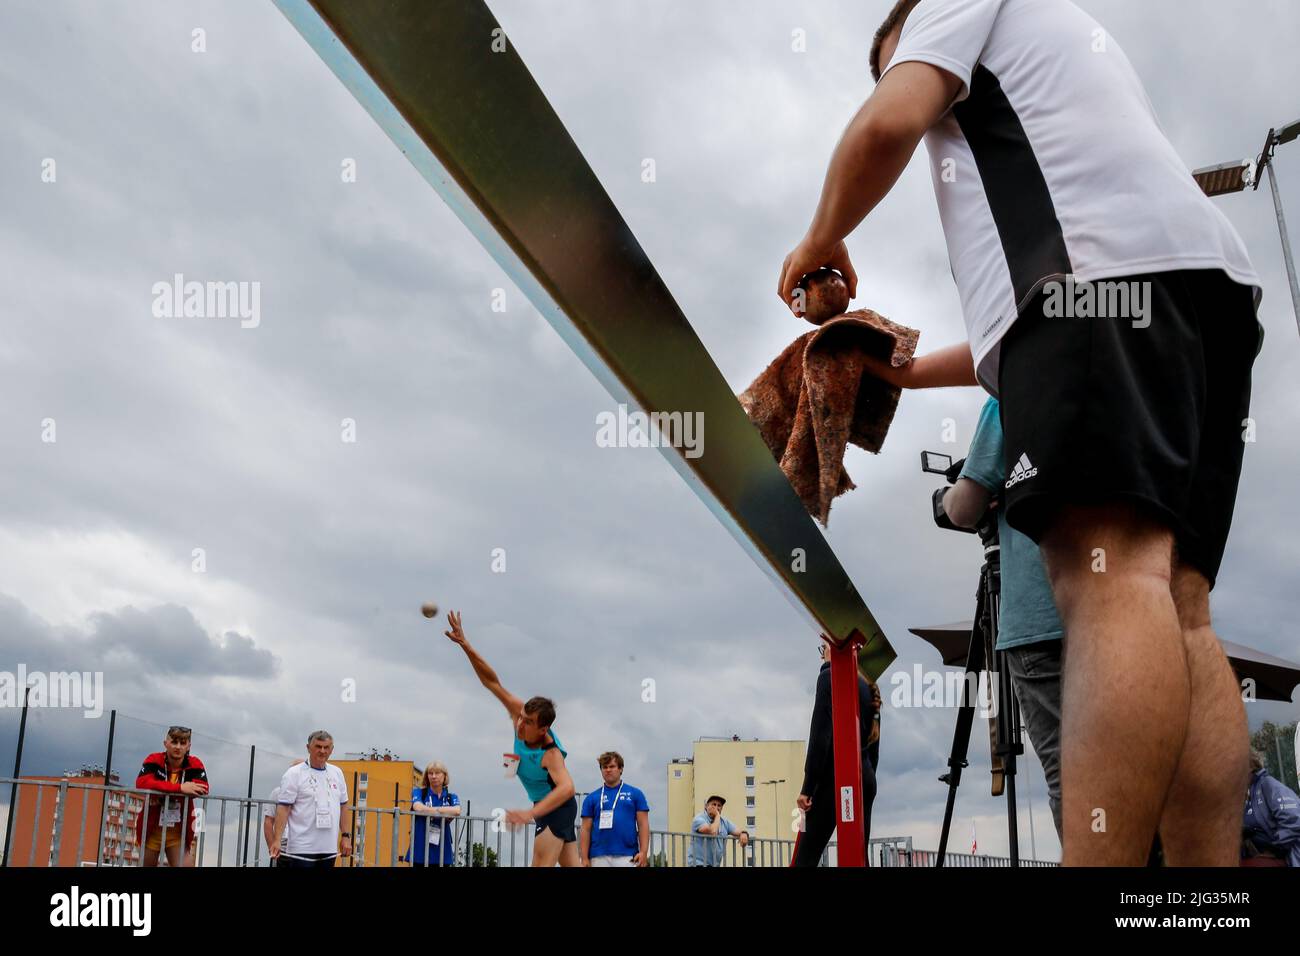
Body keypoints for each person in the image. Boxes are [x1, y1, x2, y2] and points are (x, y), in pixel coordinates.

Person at [778, 0, 1263, 866]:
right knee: (1184, 611)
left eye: (896, 60)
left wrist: (822, 238)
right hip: (1205, 300)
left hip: (1094, 278)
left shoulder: (942, 12)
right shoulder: (1069, 75)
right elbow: (1024, 329)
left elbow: (890, 120)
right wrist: (901, 367)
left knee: (1110, 574)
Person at [444, 610, 579, 867]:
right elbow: (491, 682)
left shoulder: (550, 754)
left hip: (555, 809)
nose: (520, 724)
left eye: (528, 723)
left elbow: (567, 788)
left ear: (543, 730)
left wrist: (530, 813)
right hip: (545, 807)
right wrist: (466, 645)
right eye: (522, 717)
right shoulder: (519, 712)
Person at [792, 643, 881, 867]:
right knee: (859, 856)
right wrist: (865, 776)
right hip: (865, 776)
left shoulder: (829, 677)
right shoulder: (869, 685)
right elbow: (874, 746)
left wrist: (808, 787)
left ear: (831, 647)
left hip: (836, 776)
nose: (821, 654)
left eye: (822, 648)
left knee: (806, 856)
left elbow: (820, 736)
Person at [270, 730, 352, 868]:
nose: (322, 751)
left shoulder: (337, 773)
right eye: (318, 746)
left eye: (326, 747)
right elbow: (283, 808)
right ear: (308, 748)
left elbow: (343, 806)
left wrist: (346, 836)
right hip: (301, 848)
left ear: (332, 750)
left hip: (328, 848)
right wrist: (277, 840)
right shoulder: (294, 773)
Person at [135, 726, 209, 867]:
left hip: (178, 831)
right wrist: (181, 788)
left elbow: (203, 788)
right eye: (174, 742)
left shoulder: (195, 763)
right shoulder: (154, 759)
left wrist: (160, 790)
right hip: (152, 829)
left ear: (188, 746)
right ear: (166, 743)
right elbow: (142, 782)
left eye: (182, 743)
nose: (178, 747)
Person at [579, 752, 650, 867]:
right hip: (598, 856)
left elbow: (643, 825)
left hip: (627, 855)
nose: (608, 770)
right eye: (604, 767)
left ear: (621, 769)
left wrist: (643, 852)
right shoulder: (591, 798)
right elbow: (585, 829)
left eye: (612, 766)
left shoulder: (636, 794)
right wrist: (584, 858)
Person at [1242, 750, 1300, 867]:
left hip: (1286, 856)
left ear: (1249, 767)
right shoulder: (1247, 792)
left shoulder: (1267, 785)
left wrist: (1275, 848)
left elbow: (1294, 820)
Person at [408, 760, 461, 868]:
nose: (433, 776)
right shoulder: (419, 792)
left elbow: (457, 811)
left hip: (442, 847)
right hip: (420, 847)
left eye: (437, 773)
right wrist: (444, 811)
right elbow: (418, 808)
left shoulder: (451, 797)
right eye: (430, 773)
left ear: (444, 776)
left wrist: (430, 810)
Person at [689, 796, 748, 867]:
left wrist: (744, 834)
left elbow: (739, 831)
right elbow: (713, 831)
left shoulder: (724, 822)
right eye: (713, 804)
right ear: (706, 806)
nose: (716, 807)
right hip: (698, 863)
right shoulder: (699, 818)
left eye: (719, 805)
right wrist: (717, 815)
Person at [263, 759, 304, 857]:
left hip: (305, 845)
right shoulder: (278, 792)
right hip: (283, 845)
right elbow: (268, 822)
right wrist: (272, 848)